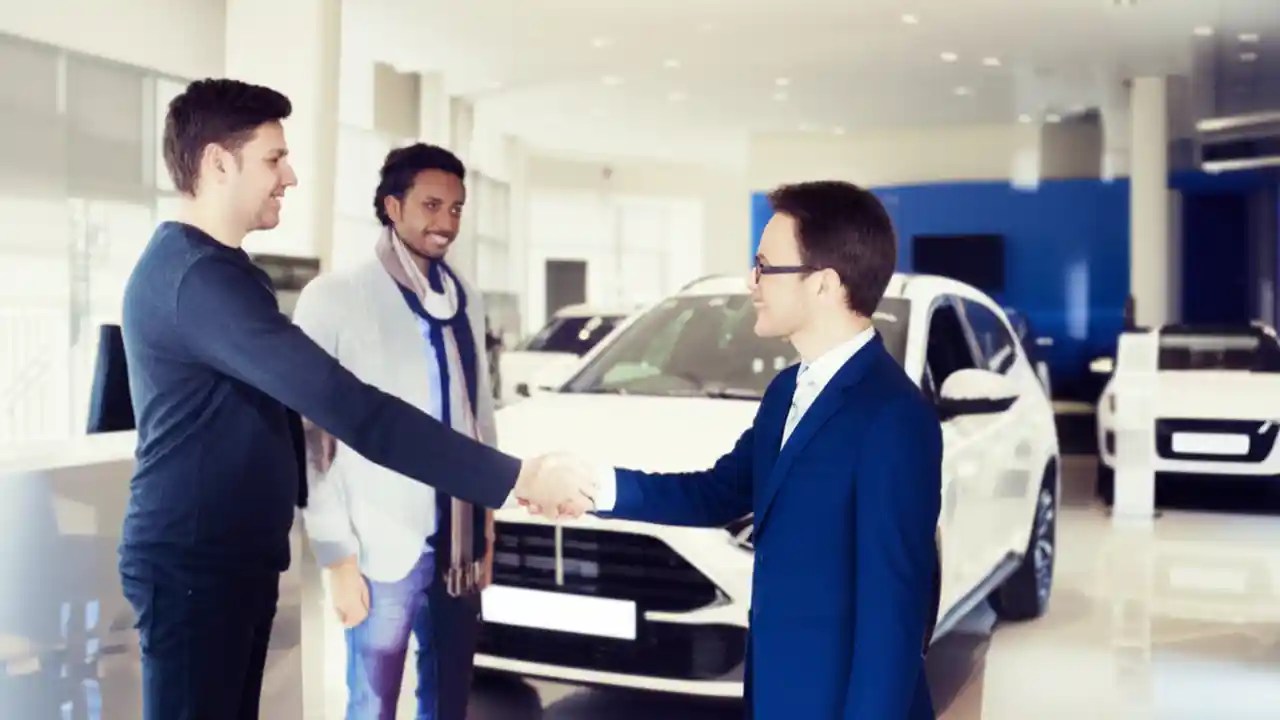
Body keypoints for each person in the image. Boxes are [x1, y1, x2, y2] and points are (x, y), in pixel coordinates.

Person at [117, 79, 592, 720]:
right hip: (197, 567)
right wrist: (512, 477)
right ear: (216, 163)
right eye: (273, 158)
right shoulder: (198, 280)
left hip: (223, 560)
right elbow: (350, 408)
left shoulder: (216, 271)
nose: (289, 177)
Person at [552, 181, 943, 719]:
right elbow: (716, 493)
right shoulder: (787, 391)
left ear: (824, 285)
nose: (751, 282)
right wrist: (594, 484)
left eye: (765, 267)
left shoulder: (893, 417)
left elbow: (893, 618)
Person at [291, 143, 497, 719]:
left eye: (457, 209)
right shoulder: (335, 296)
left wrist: (486, 517)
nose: (446, 222)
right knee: (374, 700)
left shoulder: (466, 299)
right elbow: (312, 437)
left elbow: (479, 414)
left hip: (456, 532)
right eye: (432, 205)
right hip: (378, 537)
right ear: (392, 205)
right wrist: (336, 555)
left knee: (450, 693)